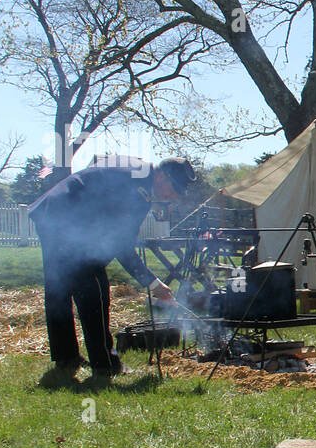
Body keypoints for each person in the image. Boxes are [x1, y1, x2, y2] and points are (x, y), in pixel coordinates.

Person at [27, 155, 196, 380]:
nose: (174, 196)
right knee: (93, 288)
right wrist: (153, 283)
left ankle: (66, 359)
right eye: (174, 188)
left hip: (55, 216)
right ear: (161, 175)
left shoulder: (138, 174)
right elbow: (122, 245)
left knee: (60, 287)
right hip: (68, 222)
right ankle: (106, 364)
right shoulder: (137, 188)